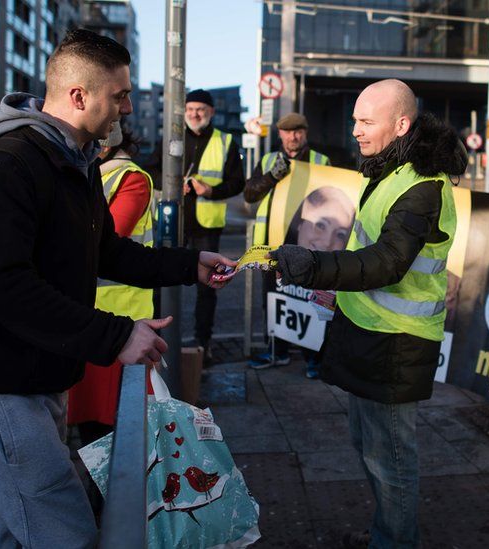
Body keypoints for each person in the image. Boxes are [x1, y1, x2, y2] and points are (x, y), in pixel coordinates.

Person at [0, 30, 236, 548]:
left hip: (36, 373)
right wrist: (117, 336)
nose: (125, 107)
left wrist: (191, 265)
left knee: (10, 526)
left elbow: (107, 252)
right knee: (68, 532)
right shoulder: (7, 166)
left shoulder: (72, 163)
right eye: (118, 95)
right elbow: (4, 286)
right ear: (79, 96)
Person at [270, 79, 467, 548]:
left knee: (391, 459)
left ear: (401, 124)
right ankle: (389, 533)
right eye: (354, 119)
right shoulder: (390, 170)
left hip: (396, 343)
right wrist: (338, 292)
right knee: (368, 445)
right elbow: (368, 250)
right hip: (368, 331)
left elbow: (387, 261)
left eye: (366, 121)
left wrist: (316, 267)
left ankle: (395, 541)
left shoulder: (422, 186)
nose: (355, 130)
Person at [68, 119, 155, 445]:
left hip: (119, 317)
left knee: (108, 426)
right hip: (86, 313)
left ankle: (108, 495)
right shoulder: (86, 172)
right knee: (91, 426)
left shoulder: (131, 178)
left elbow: (108, 241)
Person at [147, 89, 245, 363]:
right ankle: (158, 341)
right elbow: (150, 170)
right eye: (190, 109)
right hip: (172, 222)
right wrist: (170, 182)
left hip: (206, 227)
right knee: (163, 281)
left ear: (211, 113)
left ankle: (204, 343)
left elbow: (237, 183)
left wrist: (210, 190)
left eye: (200, 109)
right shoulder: (171, 138)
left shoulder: (226, 142)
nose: (194, 114)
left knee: (208, 288)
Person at [245, 112, 332, 375]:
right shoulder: (269, 160)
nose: (293, 137)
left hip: (308, 244)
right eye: (287, 132)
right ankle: (277, 351)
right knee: (273, 298)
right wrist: (271, 176)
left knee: (311, 299)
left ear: (305, 133)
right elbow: (250, 194)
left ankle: (313, 357)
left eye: (298, 132)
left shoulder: (321, 161)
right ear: (280, 134)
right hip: (273, 243)